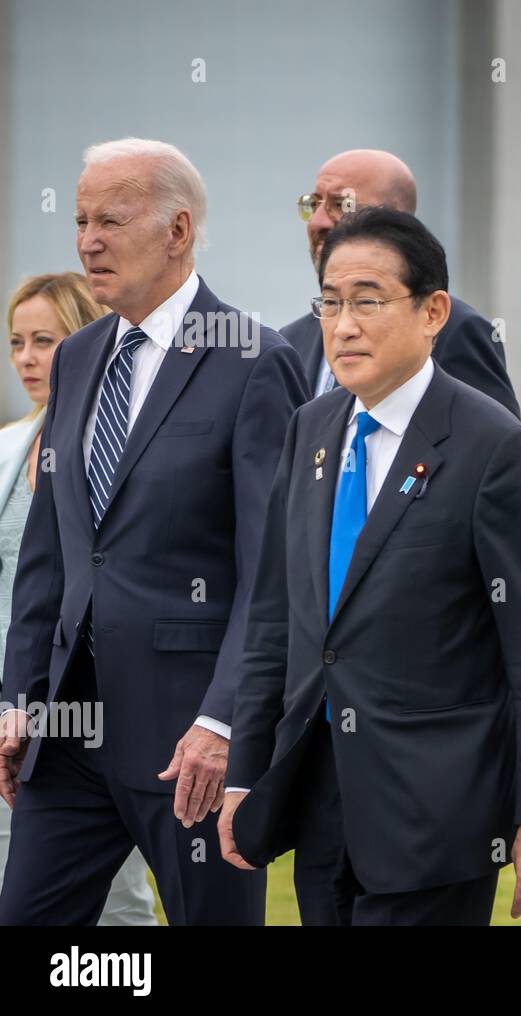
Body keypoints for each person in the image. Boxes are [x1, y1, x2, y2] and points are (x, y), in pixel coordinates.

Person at [219, 206, 521, 926]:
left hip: (437, 808)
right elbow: (273, 618)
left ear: (433, 311)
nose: (343, 325)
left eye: (368, 301)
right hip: (318, 792)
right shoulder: (311, 428)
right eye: (330, 302)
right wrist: (244, 774)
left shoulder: (490, 447)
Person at [0, 138, 308, 925]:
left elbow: (271, 569)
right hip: (66, 735)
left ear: (177, 231)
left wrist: (224, 719)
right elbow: (51, 553)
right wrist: (18, 697)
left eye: (112, 219)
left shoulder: (253, 359)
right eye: (80, 220)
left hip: (189, 743)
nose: (88, 241)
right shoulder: (77, 358)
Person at [0, 273, 157, 925]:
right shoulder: (8, 443)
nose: (30, 358)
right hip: (16, 696)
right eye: (17, 342)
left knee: (114, 898)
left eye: (46, 340)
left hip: (87, 702)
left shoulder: (117, 445)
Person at [283, 149, 519, 416]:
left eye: (340, 205)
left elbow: (490, 443)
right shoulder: (292, 340)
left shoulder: (455, 330)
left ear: (397, 220)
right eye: (313, 204)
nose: (318, 221)